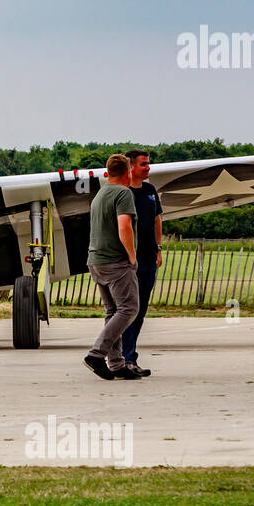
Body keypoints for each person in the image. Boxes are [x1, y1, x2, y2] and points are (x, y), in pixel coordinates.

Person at [84, 154, 141, 380]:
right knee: (129, 309)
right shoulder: (123, 193)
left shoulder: (101, 193)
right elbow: (124, 226)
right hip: (115, 262)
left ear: (108, 172)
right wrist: (132, 256)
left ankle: (116, 365)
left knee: (113, 311)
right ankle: (96, 354)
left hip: (96, 260)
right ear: (127, 172)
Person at [121, 149, 163, 377]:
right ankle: (123, 358)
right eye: (144, 164)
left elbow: (157, 219)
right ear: (132, 167)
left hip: (148, 259)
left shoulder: (150, 191)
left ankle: (130, 356)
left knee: (140, 311)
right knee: (127, 310)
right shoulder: (122, 192)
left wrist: (158, 248)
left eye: (148, 164)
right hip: (129, 262)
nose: (148, 168)